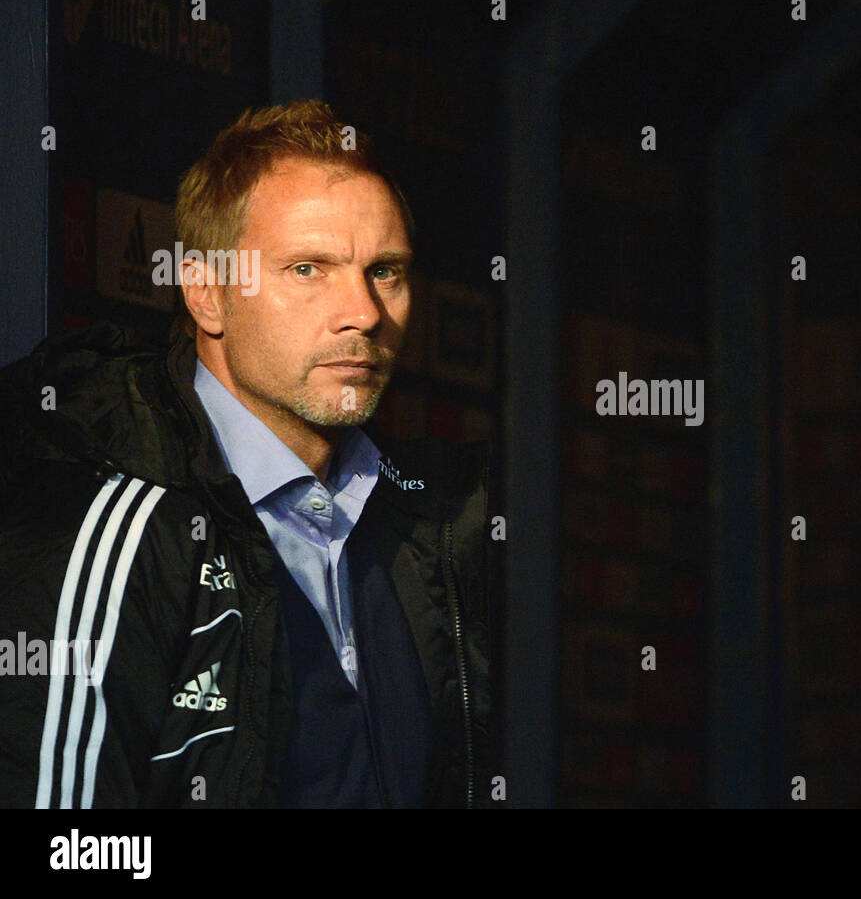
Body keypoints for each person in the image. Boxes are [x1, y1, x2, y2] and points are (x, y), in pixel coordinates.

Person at [0, 101, 493, 808]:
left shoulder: (427, 530)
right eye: (307, 268)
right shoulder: (112, 524)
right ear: (207, 293)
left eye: (385, 270)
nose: (362, 310)